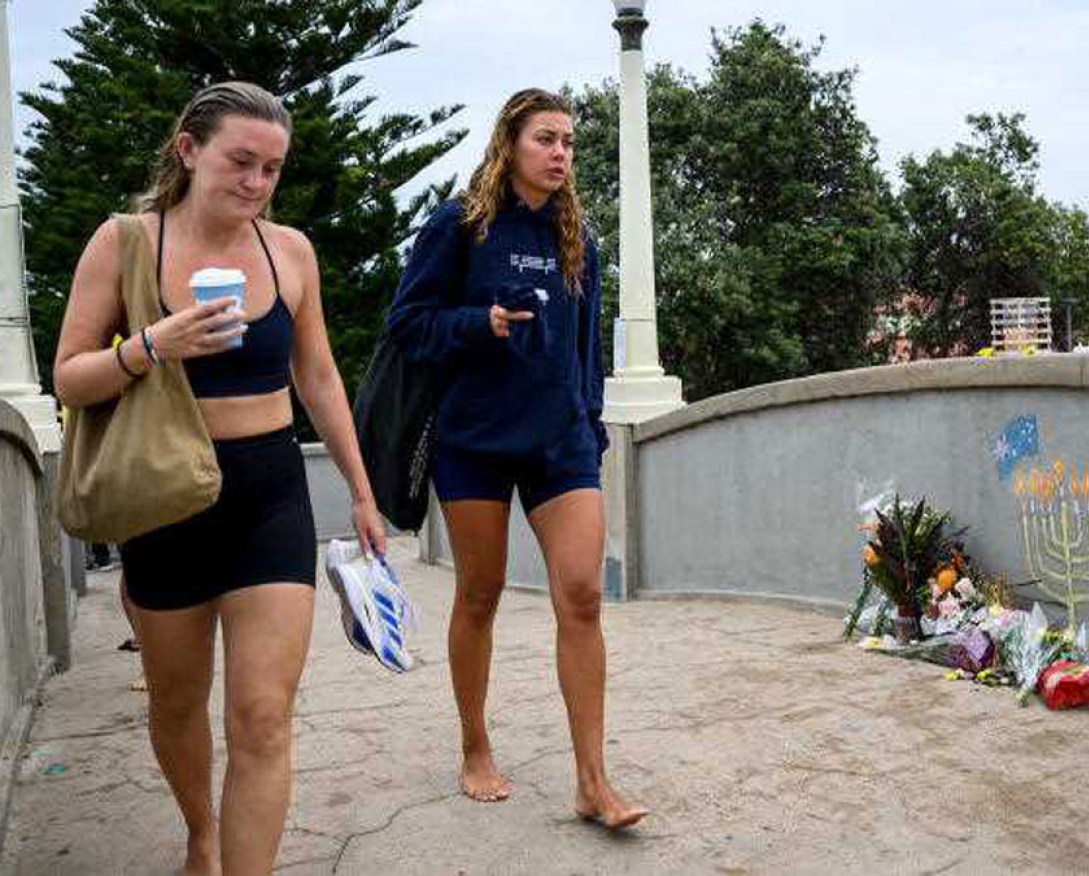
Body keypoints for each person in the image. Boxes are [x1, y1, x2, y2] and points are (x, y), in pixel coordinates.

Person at [53, 81, 386, 875]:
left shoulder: (291, 251)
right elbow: (69, 379)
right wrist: (151, 345)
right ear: (188, 150)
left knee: (263, 717)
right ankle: (201, 835)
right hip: (163, 501)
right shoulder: (124, 242)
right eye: (241, 162)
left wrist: (364, 494)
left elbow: (321, 378)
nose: (256, 183)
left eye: (271, 169)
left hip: (270, 495)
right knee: (175, 705)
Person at [387, 88, 648, 829]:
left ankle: (592, 782)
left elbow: (585, 346)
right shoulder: (459, 226)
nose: (560, 152)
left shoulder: (579, 240)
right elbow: (408, 325)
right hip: (473, 442)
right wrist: (482, 322)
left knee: (583, 596)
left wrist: (588, 425)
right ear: (510, 144)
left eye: (567, 140)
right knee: (480, 593)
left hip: (559, 443)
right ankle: (474, 745)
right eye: (545, 139)